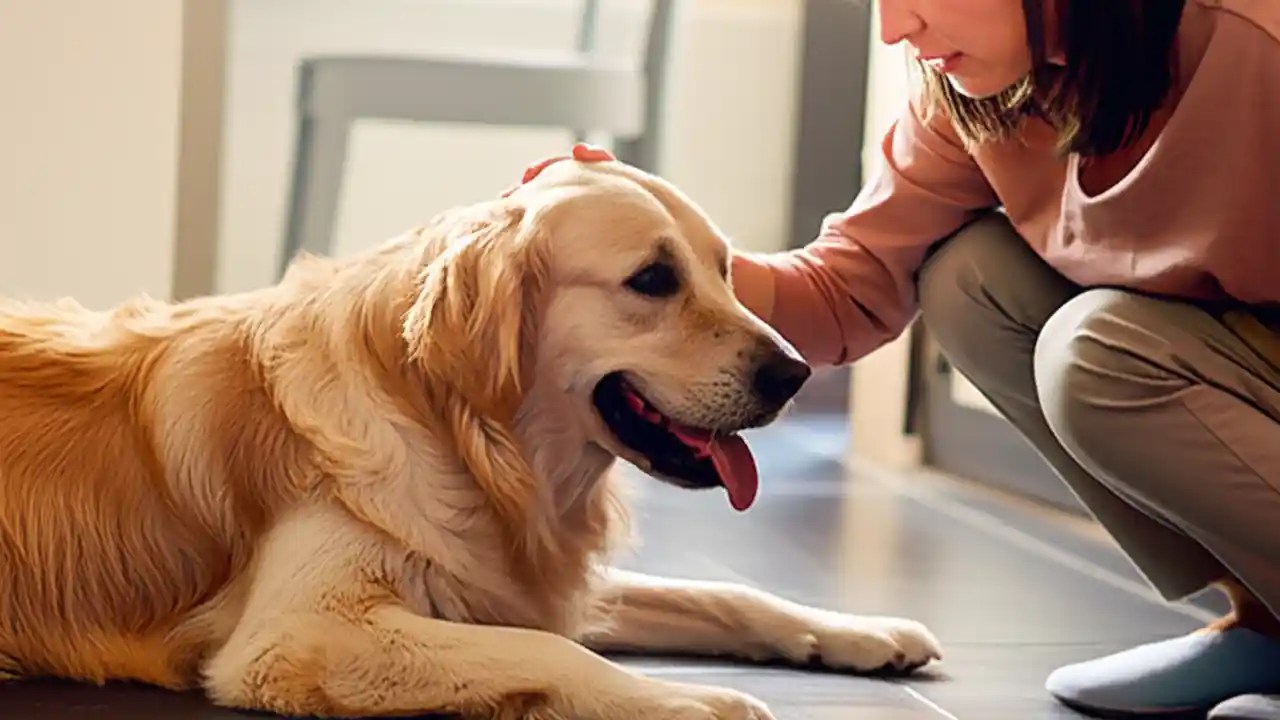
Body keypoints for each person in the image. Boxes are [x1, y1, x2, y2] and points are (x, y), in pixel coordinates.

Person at [728, 0, 1280, 718]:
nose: (894, 29)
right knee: (969, 281)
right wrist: (652, 245)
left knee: (1100, 354)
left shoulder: (1252, 37)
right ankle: (1266, 621)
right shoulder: (974, 94)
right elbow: (844, 291)